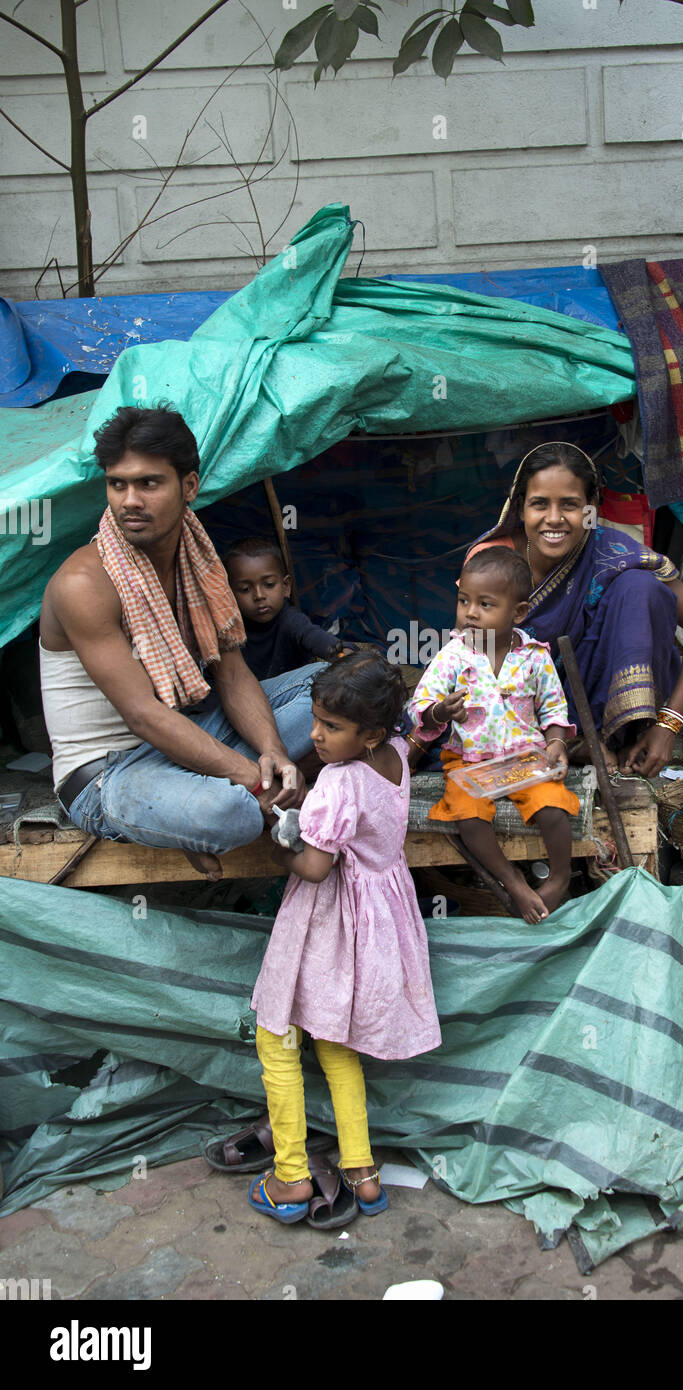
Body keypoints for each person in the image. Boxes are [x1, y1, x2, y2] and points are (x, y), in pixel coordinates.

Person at [39, 404, 320, 880]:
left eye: (149, 483)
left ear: (188, 486)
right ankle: (193, 813)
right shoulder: (84, 583)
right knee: (227, 813)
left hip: (191, 733)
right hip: (110, 774)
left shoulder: (197, 558)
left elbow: (231, 672)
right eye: (118, 483)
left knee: (338, 685)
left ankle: (190, 810)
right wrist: (254, 779)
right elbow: (143, 715)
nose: (129, 499)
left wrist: (270, 750)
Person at [247, 650, 441, 1226]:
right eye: (315, 720)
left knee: (276, 1034)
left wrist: (272, 834)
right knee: (335, 1043)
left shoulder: (338, 781)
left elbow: (314, 868)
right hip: (381, 916)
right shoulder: (399, 758)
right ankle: (363, 1171)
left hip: (326, 922)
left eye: (332, 727)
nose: (315, 736)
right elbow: (419, 734)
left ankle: (289, 1178)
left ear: (372, 732)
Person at [467, 441, 683, 777]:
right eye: (540, 504)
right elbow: (472, 658)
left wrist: (668, 724)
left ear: (591, 507)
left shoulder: (612, 551)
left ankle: (628, 735)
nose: (554, 519)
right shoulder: (490, 564)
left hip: (603, 716)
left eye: (570, 505)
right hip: (517, 716)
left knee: (640, 587)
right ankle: (573, 742)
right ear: (519, 507)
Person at [407, 546, 580, 924]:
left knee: (553, 808)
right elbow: (420, 705)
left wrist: (555, 744)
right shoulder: (453, 656)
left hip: (525, 760)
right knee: (469, 817)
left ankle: (561, 875)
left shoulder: (535, 656)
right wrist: (440, 710)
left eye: (485, 604)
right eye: (463, 600)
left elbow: (554, 708)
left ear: (518, 612)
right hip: (470, 761)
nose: (470, 612)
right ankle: (512, 881)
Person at [223, 536, 347, 681]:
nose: (259, 595)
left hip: (290, 693)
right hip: (247, 697)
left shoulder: (290, 621)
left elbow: (320, 640)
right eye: (245, 589)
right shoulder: (227, 629)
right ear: (229, 594)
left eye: (269, 584)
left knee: (324, 672)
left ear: (286, 587)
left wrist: (346, 656)